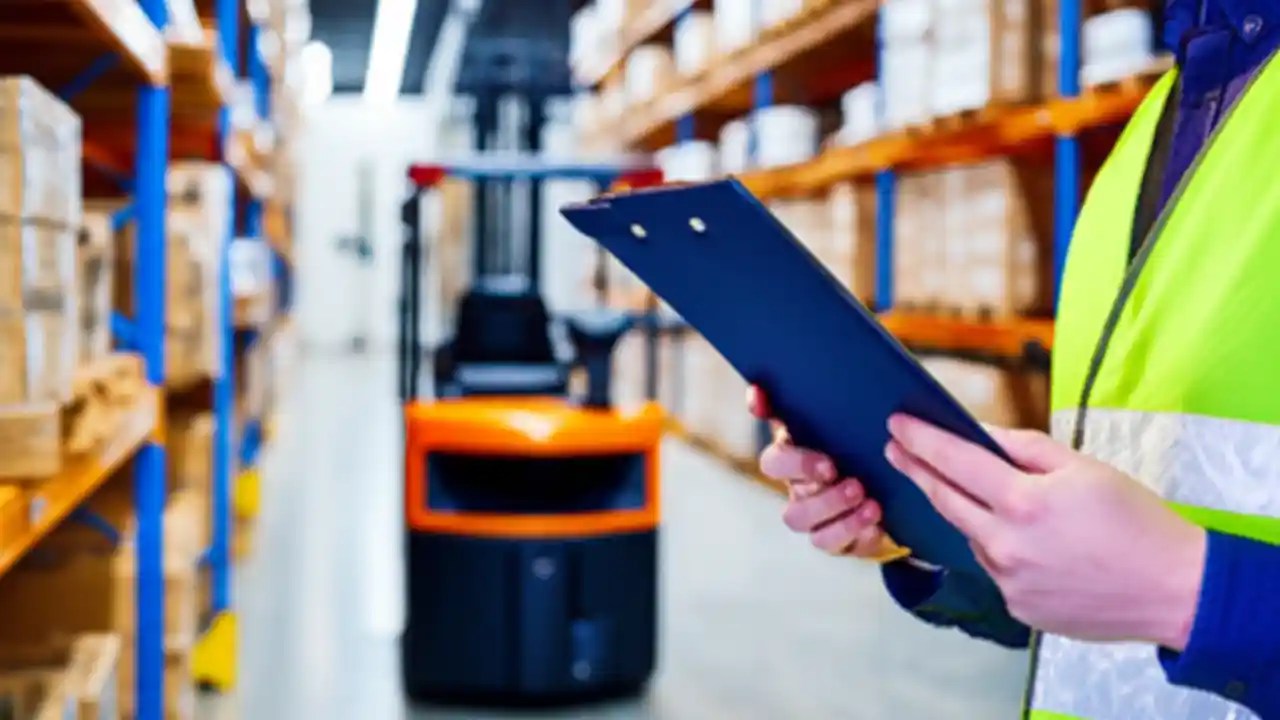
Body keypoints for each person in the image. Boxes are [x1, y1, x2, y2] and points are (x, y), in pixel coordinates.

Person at [748, 1, 1280, 718]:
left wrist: (1194, 595)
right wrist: (925, 525)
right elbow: (1095, 579)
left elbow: (1162, 577)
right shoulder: (1155, 126)